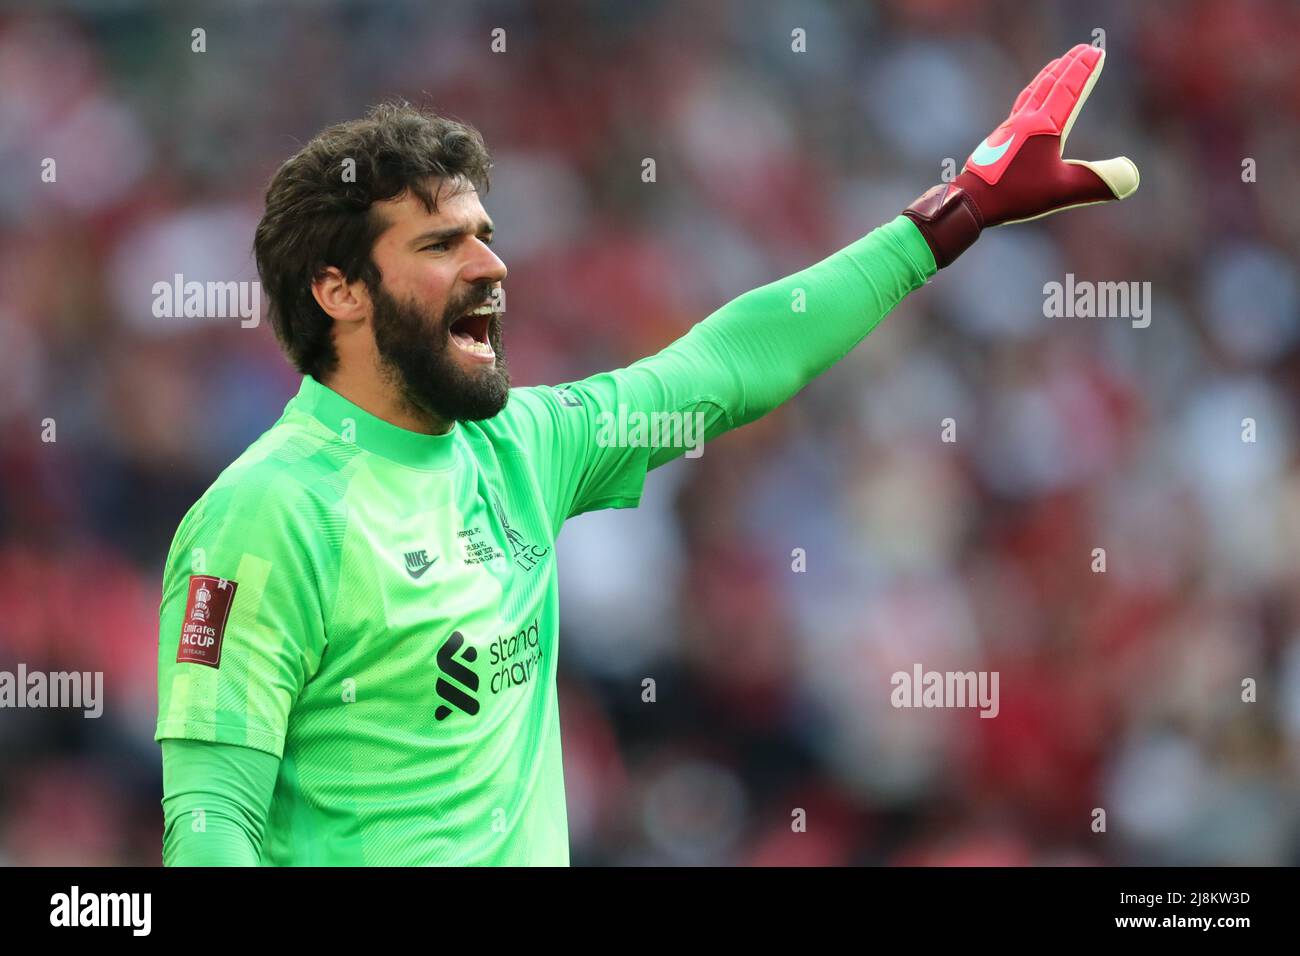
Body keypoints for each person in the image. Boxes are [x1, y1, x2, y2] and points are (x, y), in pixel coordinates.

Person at [156, 44, 1137, 865]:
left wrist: (958, 210)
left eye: (484, 235)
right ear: (339, 291)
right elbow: (210, 822)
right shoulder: (268, 514)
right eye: (442, 245)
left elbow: (729, 362)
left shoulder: (520, 446)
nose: (492, 264)